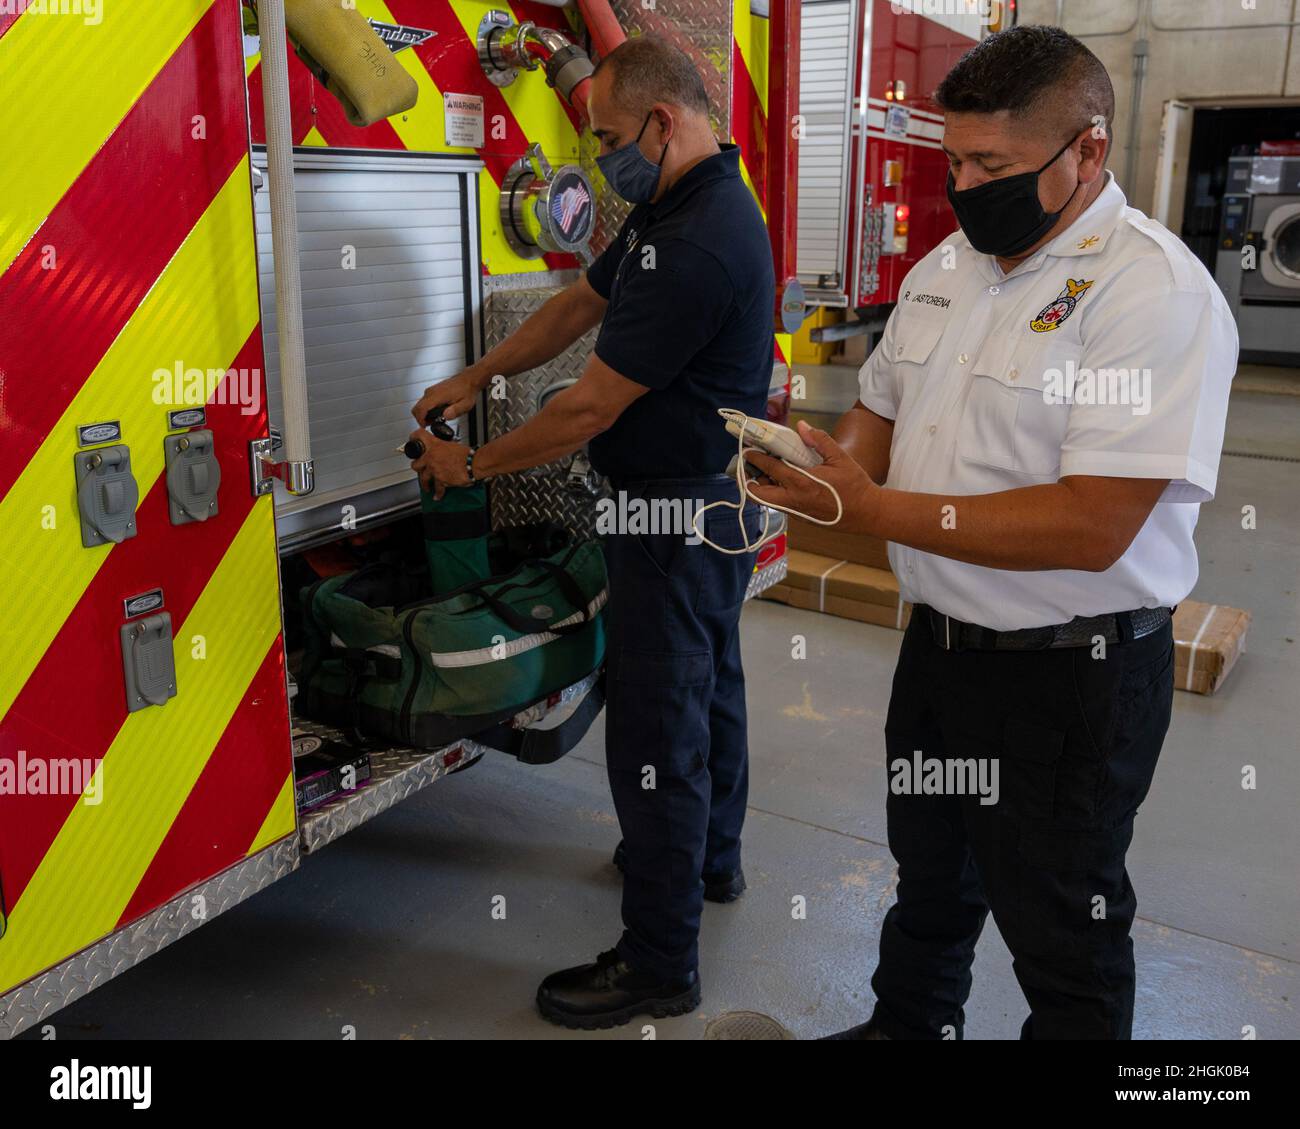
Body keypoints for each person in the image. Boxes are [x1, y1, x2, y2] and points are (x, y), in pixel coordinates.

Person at [745, 25, 1237, 1039]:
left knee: (1062, 923)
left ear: (1087, 151)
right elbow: (877, 408)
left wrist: (872, 512)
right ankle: (907, 1030)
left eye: (994, 166)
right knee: (930, 875)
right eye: (953, 160)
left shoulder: (1151, 294)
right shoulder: (950, 264)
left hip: (1068, 682)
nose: (965, 186)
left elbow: (1095, 521)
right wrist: (824, 468)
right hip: (940, 650)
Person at [408, 35, 775, 1029]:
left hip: (673, 511)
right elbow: (579, 301)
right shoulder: (676, 203)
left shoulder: (698, 238)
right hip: (703, 505)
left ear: (664, 120)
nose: (603, 158)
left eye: (610, 137)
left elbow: (585, 410)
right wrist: (477, 375)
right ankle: (712, 861)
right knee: (710, 692)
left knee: (657, 728)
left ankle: (660, 960)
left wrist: (471, 463)